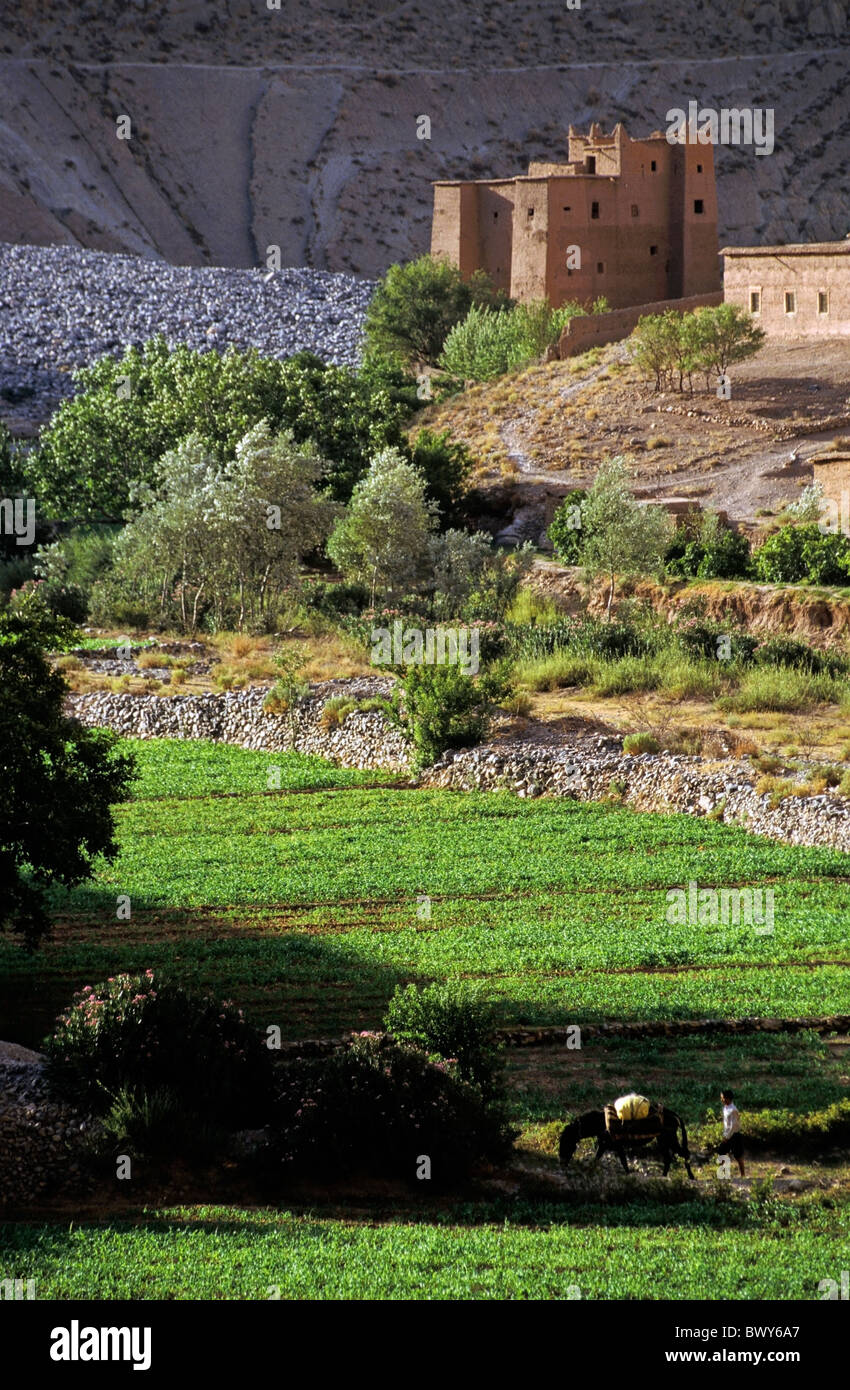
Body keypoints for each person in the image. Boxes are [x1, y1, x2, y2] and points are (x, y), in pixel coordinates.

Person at [717, 1088, 745, 1177]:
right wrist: (725, 1134)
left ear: (728, 1098)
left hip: (734, 1135)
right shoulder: (725, 1108)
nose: (722, 1100)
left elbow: (733, 1126)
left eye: (723, 1098)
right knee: (721, 1152)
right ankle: (723, 1174)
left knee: (738, 1156)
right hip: (727, 1134)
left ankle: (743, 1175)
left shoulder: (733, 1110)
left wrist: (727, 1137)